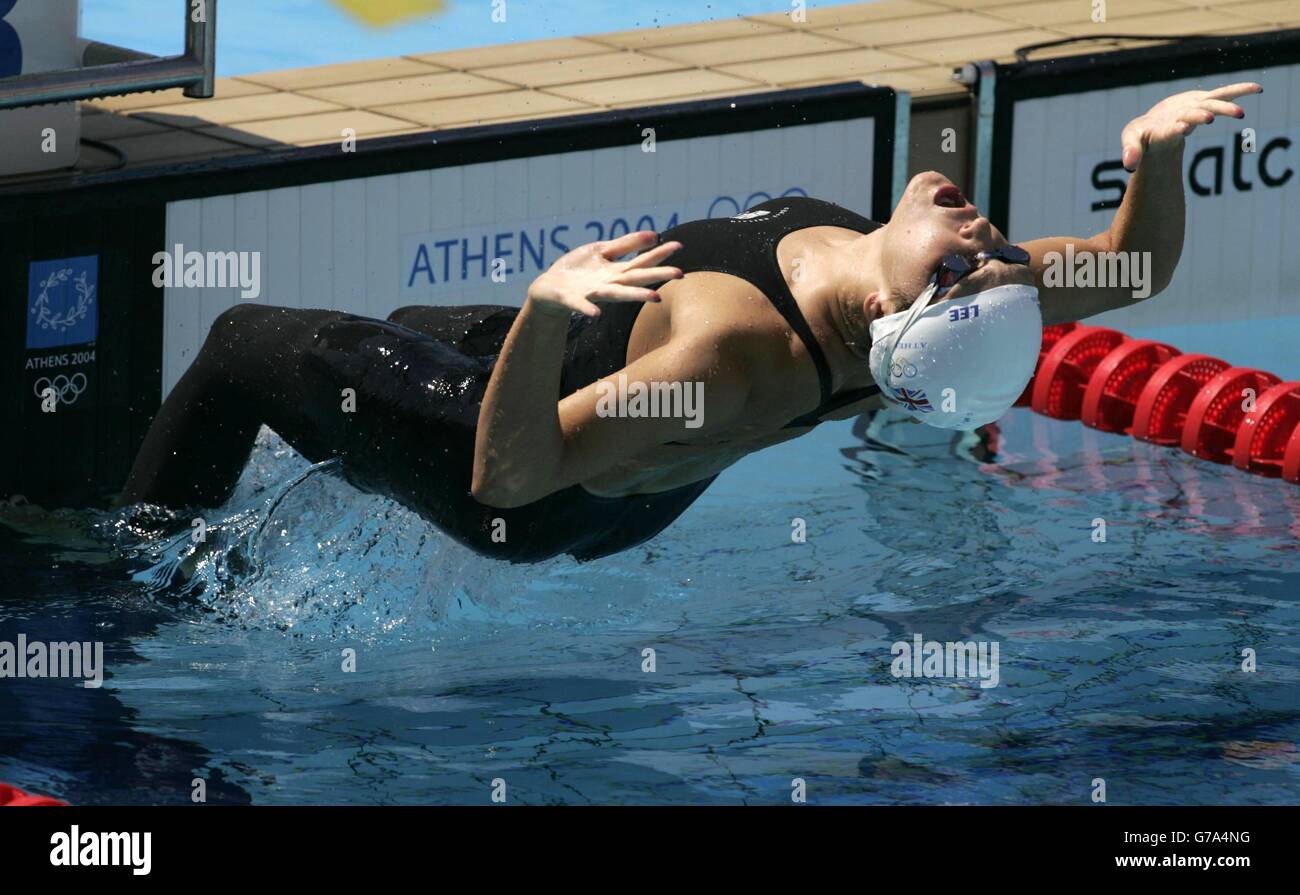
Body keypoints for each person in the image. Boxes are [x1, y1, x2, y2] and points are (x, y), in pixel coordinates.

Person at [119, 82, 1262, 561]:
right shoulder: (965, 293)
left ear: (882, 311)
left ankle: (130, 578)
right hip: (607, 423)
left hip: (546, 491)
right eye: (999, 261)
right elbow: (1140, 261)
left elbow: (507, 478)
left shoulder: (732, 353)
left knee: (244, 347)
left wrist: (538, 311)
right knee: (402, 330)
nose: (990, 240)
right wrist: (1150, 154)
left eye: (968, 266)